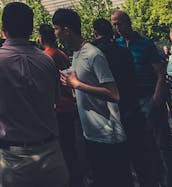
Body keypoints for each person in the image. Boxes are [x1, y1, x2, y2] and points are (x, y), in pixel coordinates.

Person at [0, 2, 68, 187]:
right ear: (31, 28)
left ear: (3, 29)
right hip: (51, 152)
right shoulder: (46, 60)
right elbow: (55, 99)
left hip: (13, 157)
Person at [54, 10, 131, 186]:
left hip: (108, 135)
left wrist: (77, 85)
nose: (55, 33)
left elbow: (114, 94)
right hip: (92, 134)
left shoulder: (93, 54)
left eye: (56, 28)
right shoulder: (77, 54)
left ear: (67, 30)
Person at [111, 10, 172, 187]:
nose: (117, 27)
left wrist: (155, 101)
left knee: (163, 145)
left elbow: (160, 74)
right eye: (113, 24)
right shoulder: (117, 44)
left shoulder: (145, 44)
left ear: (128, 22)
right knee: (143, 147)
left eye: (119, 23)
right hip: (131, 101)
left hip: (148, 96)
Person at [92, 18, 159, 187]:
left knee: (121, 162)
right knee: (142, 156)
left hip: (113, 111)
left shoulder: (95, 54)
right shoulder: (123, 51)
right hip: (132, 105)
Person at [37, 24, 83, 187]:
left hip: (58, 108)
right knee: (72, 148)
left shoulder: (45, 57)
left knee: (64, 150)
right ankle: (78, 179)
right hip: (70, 105)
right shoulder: (62, 54)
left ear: (41, 38)